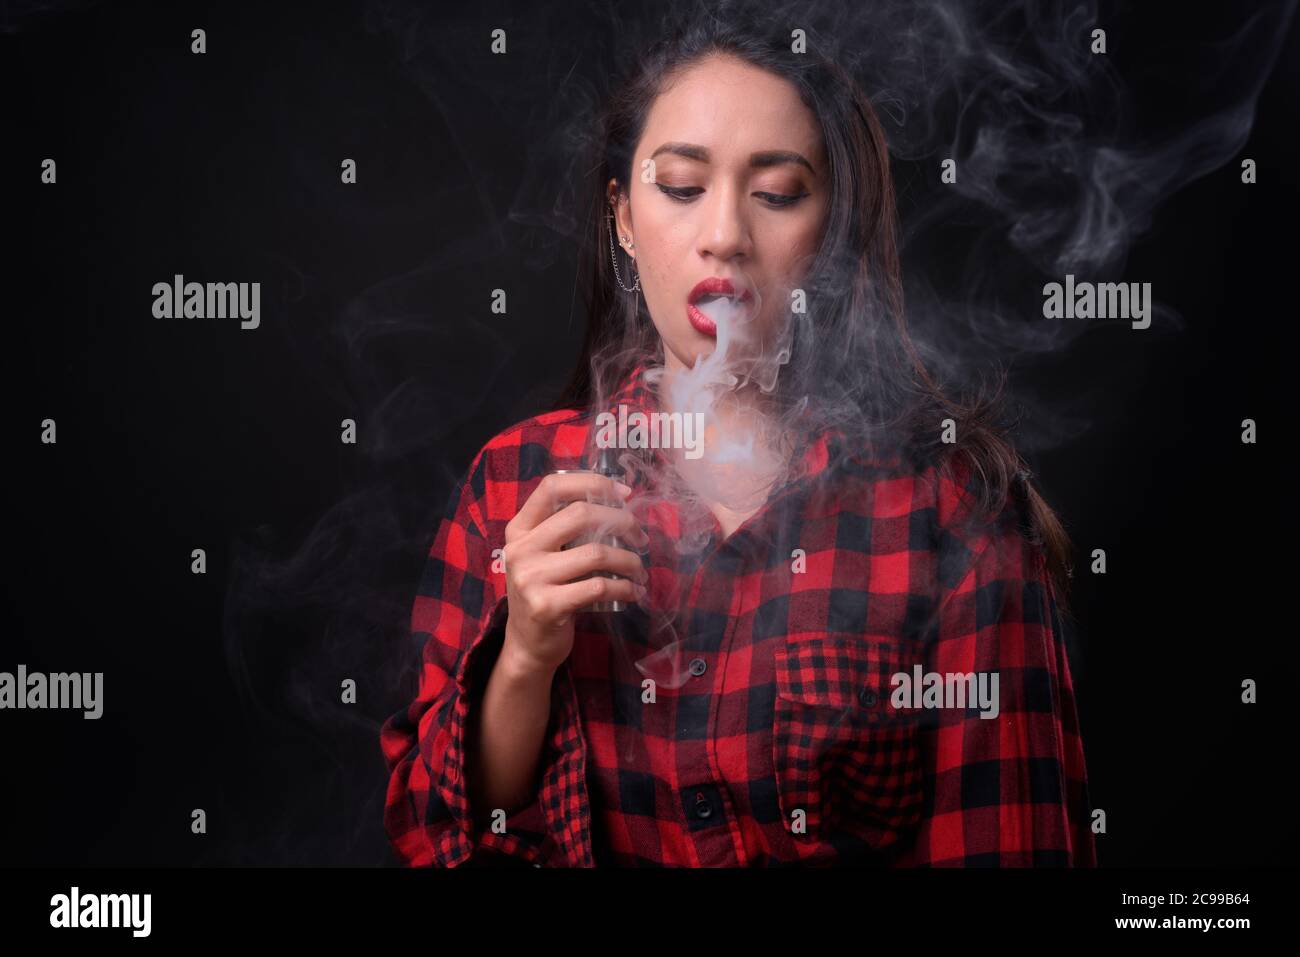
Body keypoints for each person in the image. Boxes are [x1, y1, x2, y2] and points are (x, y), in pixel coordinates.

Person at [380, 12, 1096, 867]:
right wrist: (524, 658)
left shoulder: (949, 510)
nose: (724, 234)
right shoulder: (517, 481)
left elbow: (1011, 844)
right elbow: (435, 832)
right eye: (681, 187)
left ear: (832, 229)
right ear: (623, 219)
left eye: (779, 193)